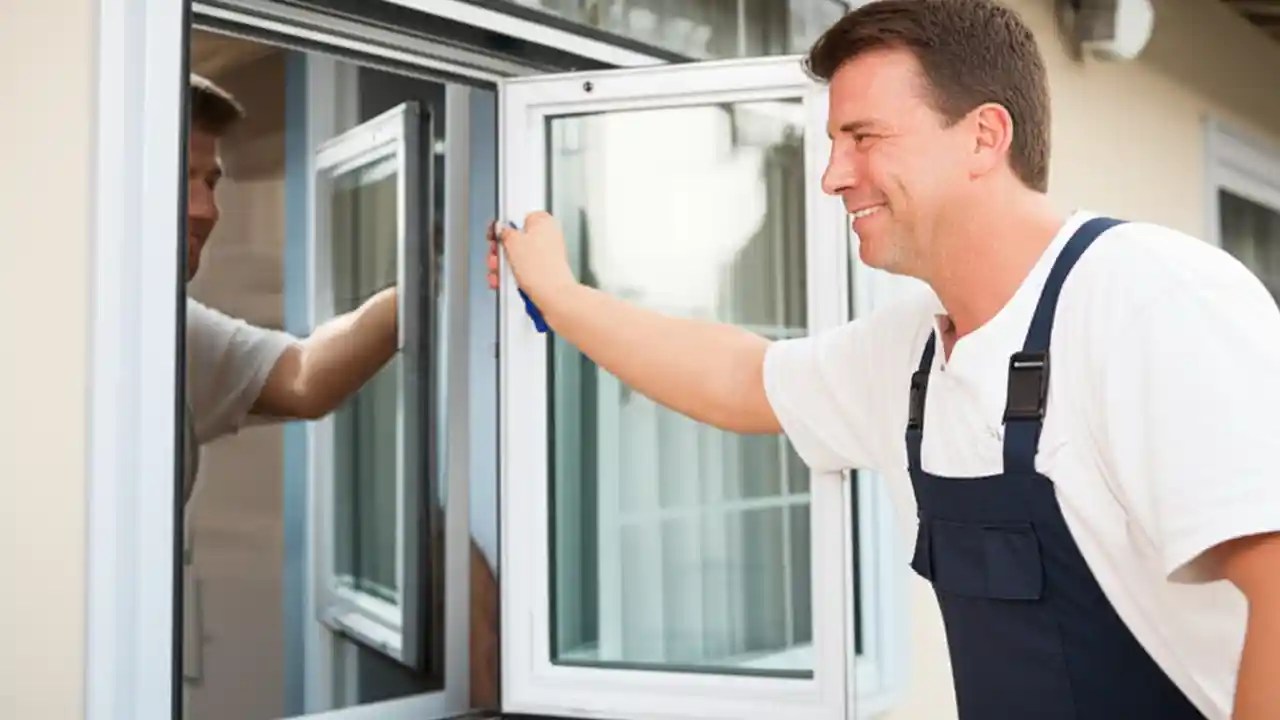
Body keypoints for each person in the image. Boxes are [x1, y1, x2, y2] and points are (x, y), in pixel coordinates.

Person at [487, 1, 1280, 718]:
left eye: (863, 138)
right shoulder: (911, 352)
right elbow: (740, 379)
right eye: (834, 142)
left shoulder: (1146, 296)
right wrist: (558, 294)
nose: (833, 175)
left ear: (983, 136)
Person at [183, 73, 399, 505]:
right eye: (182, 177)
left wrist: (427, 284)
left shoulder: (171, 329)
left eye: (209, 182)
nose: (207, 210)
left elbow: (303, 376)